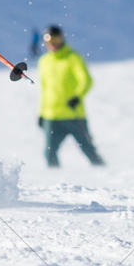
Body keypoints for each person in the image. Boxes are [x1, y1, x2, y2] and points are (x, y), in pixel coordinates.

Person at [37, 25, 104, 166]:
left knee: (88, 150)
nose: (52, 44)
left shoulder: (73, 58)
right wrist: (42, 113)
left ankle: (107, 178)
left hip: (73, 115)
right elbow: (45, 90)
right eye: (49, 40)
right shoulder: (44, 61)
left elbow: (86, 80)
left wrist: (77, 96)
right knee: (49, 153)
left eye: (56, 39)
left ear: (62, 39)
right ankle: (55, 183)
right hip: (52, 116)